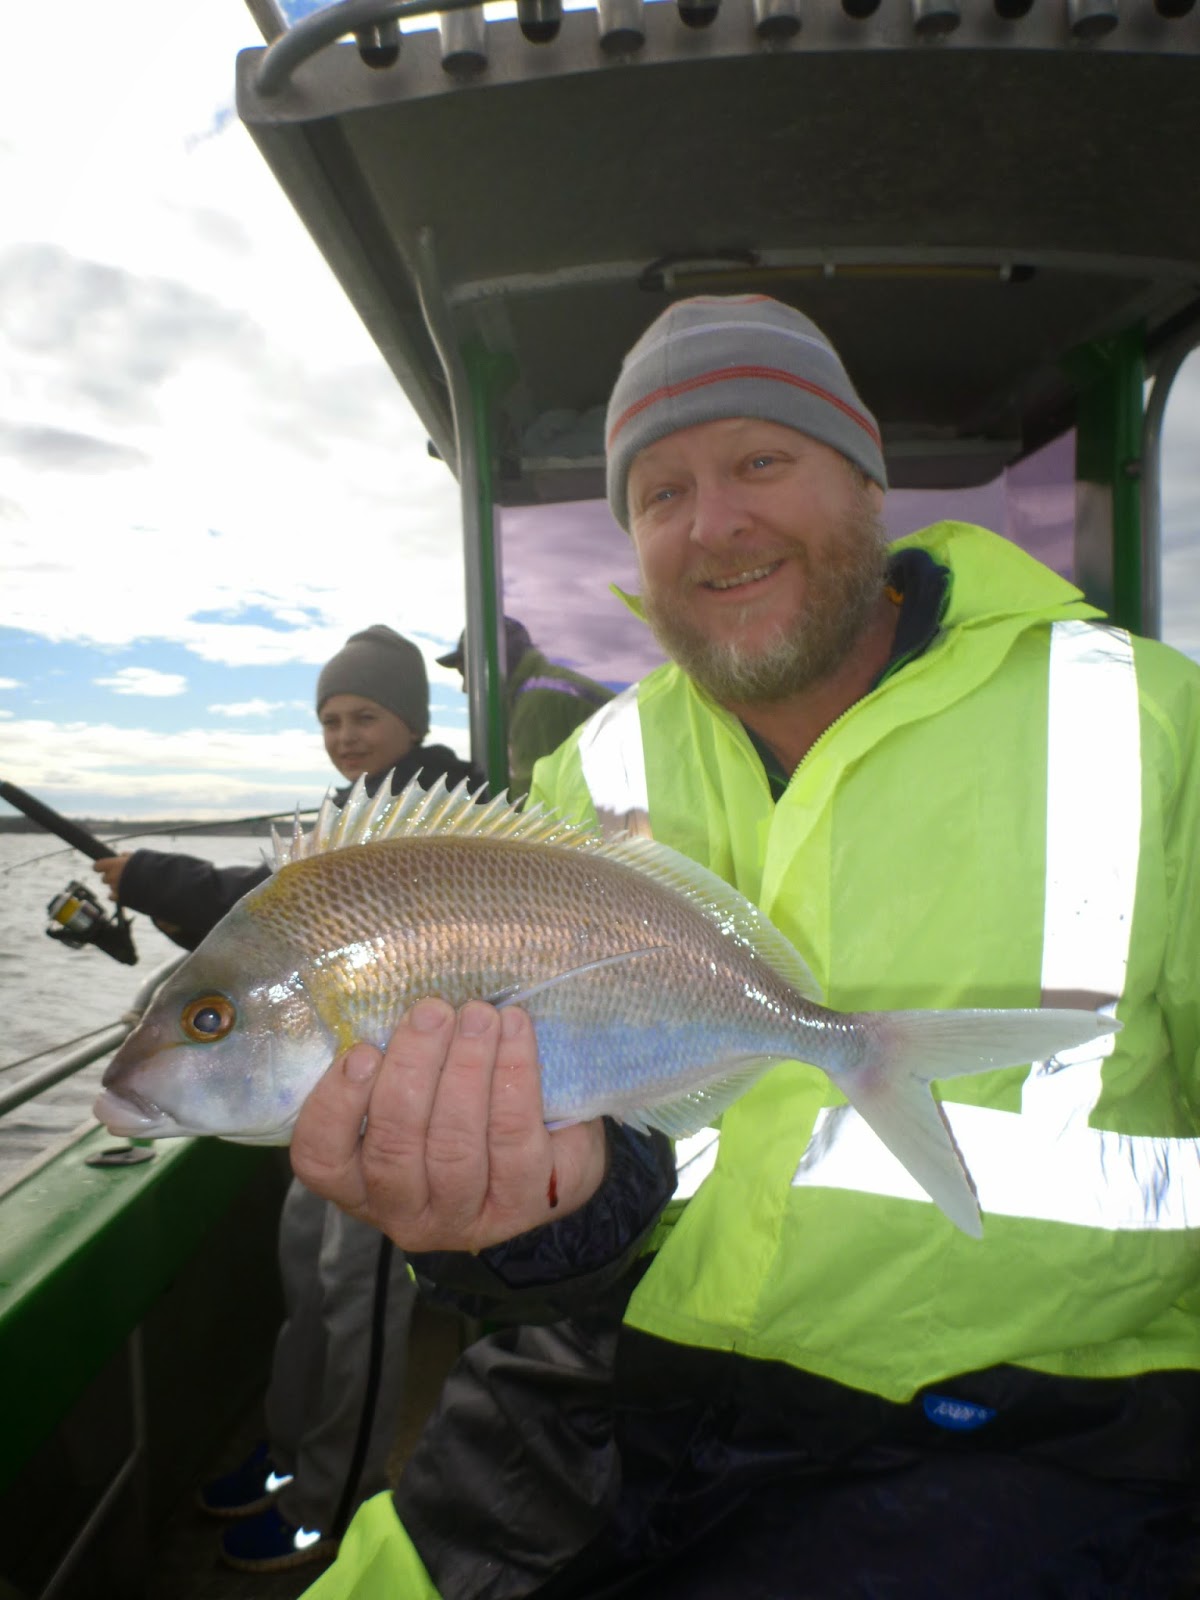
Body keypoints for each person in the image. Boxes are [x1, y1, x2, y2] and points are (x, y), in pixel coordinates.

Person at [287, 298, 1200, 1598]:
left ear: (864, 470)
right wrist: (532, 1227)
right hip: (618, 1374)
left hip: (1038, 1419)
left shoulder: (1160, 726)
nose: (714, 524)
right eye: (661, 492)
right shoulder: (589, 769)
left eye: (762, 462)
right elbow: (604, 1138)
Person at [97, 624, 483, 1576]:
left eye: (365, 715)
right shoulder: (348, 815)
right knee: (306, 1286)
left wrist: (151, 877)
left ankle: (330, 1504)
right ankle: (287, 1452)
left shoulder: (433, 814)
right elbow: (268, 909)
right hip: (319, 1104)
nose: (345, 735)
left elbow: (269, 900)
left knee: (360, 1306)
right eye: (330, 719)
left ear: (413, 722)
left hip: (391, 1122)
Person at [437, 615, 613, 798]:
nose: (465, 688)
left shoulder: (539, 702)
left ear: (499, 661)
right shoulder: (543, 689)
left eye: (467, 672)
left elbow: (532, 803)